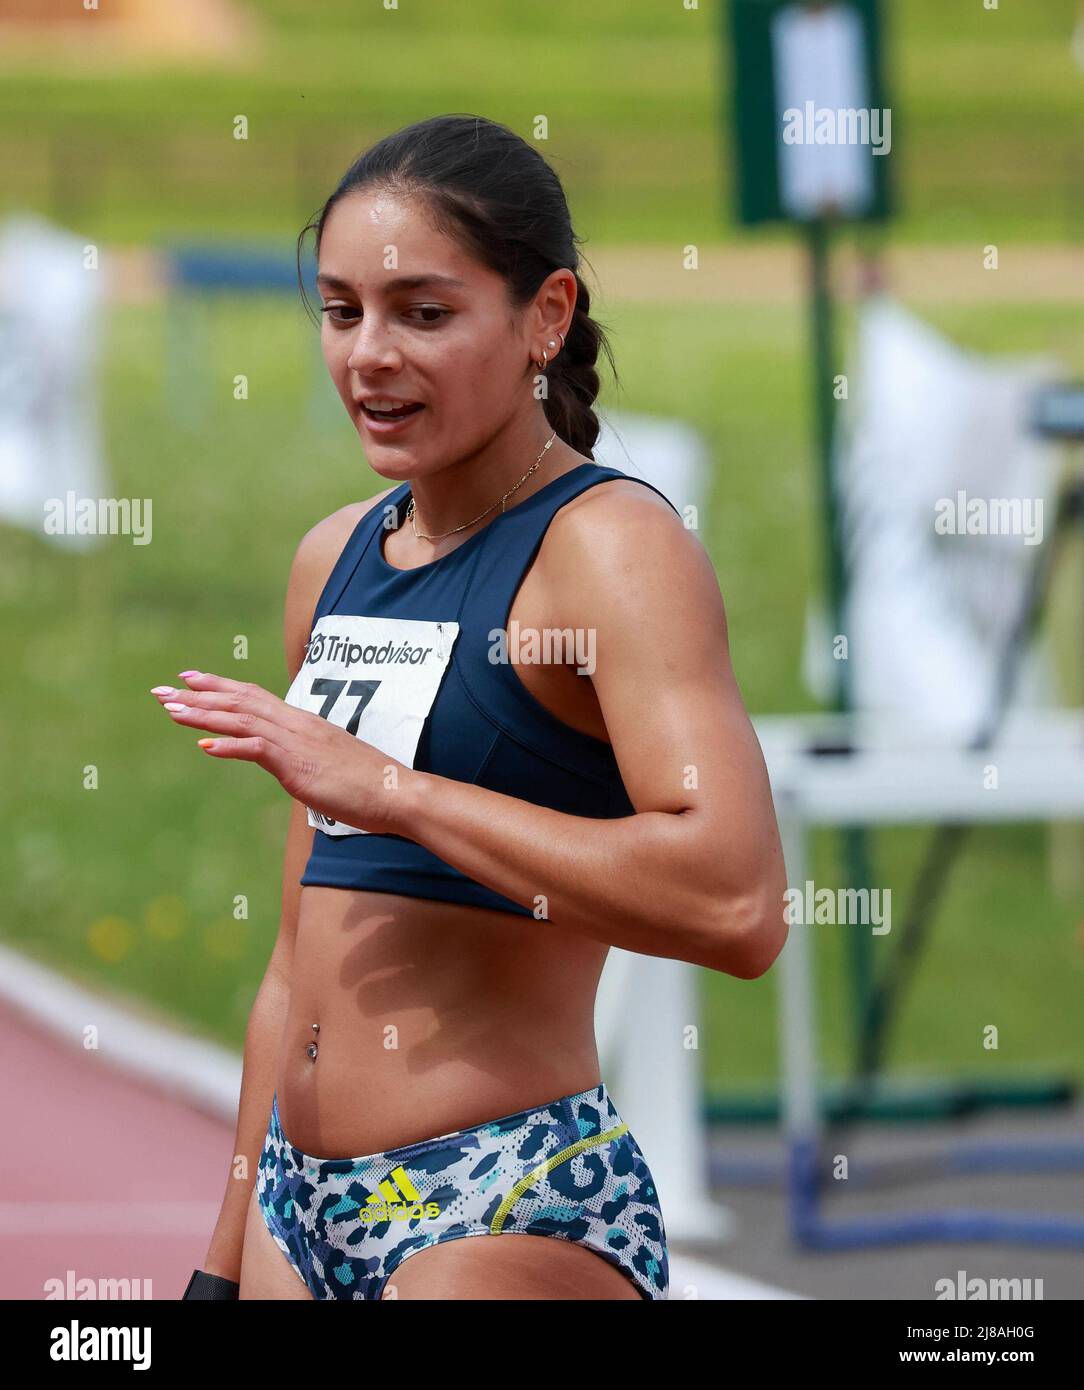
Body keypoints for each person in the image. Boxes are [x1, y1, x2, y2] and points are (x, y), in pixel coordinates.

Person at [159, 113, 787, 1302]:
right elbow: (295, 962)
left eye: (424, 312)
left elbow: (738, 901)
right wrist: (219, 1256)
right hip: (299, 1209)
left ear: (545, 315)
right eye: (343, 312)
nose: (368, 355)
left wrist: (395, 793)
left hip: (499, 1203)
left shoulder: (608, 552)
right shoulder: (331, 559)